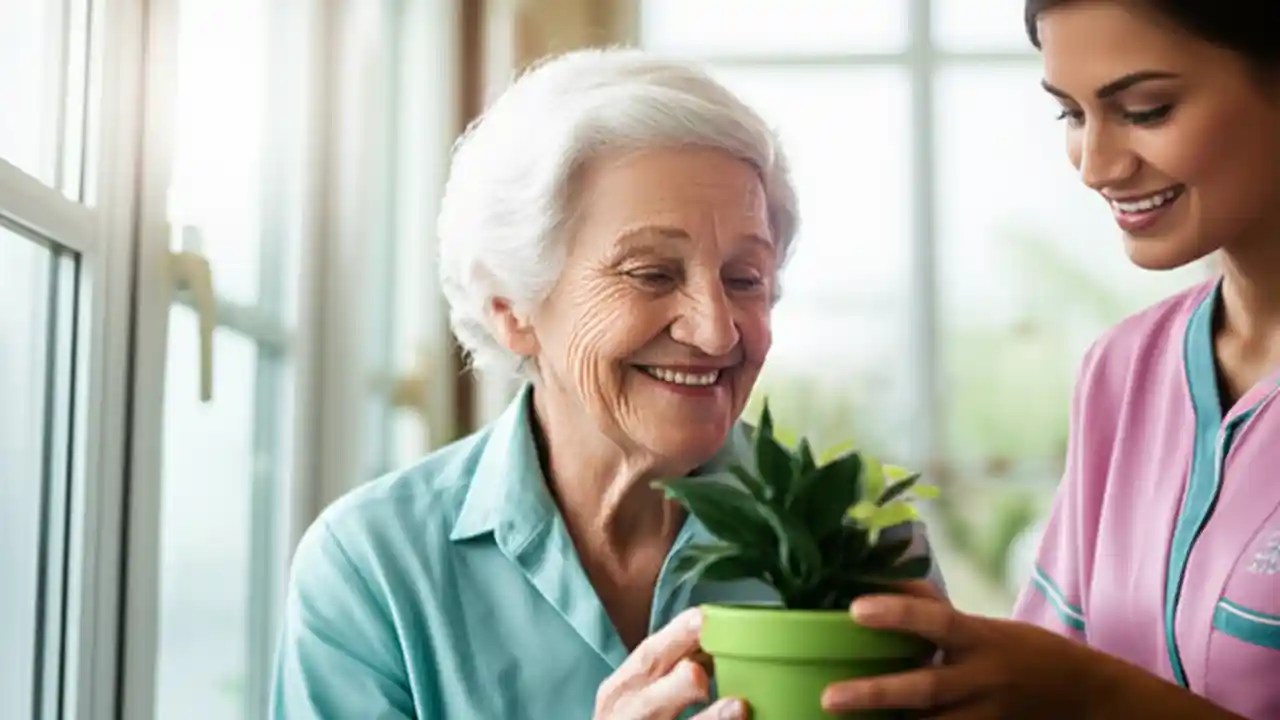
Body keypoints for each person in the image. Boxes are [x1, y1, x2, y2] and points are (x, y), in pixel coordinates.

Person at [270, 48, 938, 719]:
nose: (717, 333)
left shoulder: (865, 542)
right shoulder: (374, 567)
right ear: (512, 309)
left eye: (745, 280)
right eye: (651, 274)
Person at [819, 2, 1280, 718]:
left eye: (1146, 110)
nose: (1097, 166)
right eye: (1070, 115)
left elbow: (1071, 686)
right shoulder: (1127, 372)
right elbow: (1037, 679)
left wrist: (1094, 695)